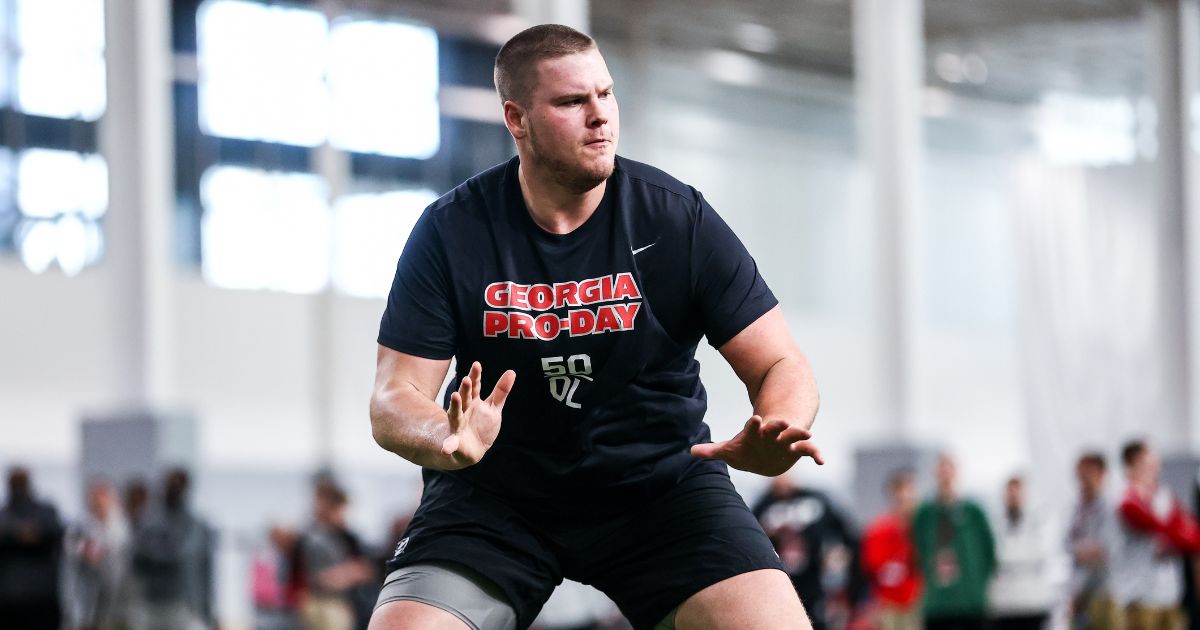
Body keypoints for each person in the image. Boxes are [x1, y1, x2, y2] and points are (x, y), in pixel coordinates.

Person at [367, 23, 823, 630]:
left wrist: (780, 427)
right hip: (496, 497)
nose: (600, 117)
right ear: (517, 119)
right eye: (571, 102)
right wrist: (444, 437)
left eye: (605, 94)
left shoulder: (674, 218)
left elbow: (780, 363)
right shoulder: (452, 232)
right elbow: (392, 397)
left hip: (661, 487)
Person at [751, 472, 868, 630]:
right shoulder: (763, 507)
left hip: (813, 580)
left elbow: (848, 534)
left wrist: (841, 562)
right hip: (777, 582)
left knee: (815, 622)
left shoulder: (815, 500)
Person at [1112, 440, 1200, 630]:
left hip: (1167, 592)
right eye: (1148, 466)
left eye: (1155, 465)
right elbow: (1166, 530)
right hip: (1140, 595)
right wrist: (1176, 534)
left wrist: (1176, 536)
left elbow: (1193, 537)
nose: (1154, 471)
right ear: (1132, 466)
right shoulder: (1127, 500)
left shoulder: (1163, 496)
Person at [912, 453, 996, 630]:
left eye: (949, 470)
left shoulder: (973, 512)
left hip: (970, 602)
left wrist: (978, 585)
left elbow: (990, 553)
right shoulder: (925, 514)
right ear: (934, 474)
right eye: (941, 470)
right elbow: (916, 552)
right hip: (937, 604)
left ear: (956, 473)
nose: (945, 476)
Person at [128, 468, 216, 630]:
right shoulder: (148, 522)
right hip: (151, 604)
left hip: (183, 605)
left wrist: (208, 611)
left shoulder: (196, 526)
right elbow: (135, 562)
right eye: (172, 484)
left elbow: (204, 570)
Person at [296, 482, 375, 630]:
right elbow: (323, 579)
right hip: (327, 607)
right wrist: (351, 572)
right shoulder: (316, 538)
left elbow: (367, 569)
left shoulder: (346, 537)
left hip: (343, 605)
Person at [61, 477, 132, 630]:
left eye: (104, 498)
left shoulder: (123, 528)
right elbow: (70, 548)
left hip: (119, 600)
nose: (100, 503)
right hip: (88, 602)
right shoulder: (80, 526)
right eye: (96, 498)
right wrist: (84, 550)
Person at [987, 476, 1057, 630]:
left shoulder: (1040, 519)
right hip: (1003, 604)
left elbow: (1042, 553)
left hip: (1033, 603)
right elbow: (991, 555)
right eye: (1009, 491)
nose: (1013, 496)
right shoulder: (994, 522)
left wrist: (1006, 557)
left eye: (1017, 491)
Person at [0, 466, 65, 629]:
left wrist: (12, 534)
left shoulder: (46, 512)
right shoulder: (42, 512)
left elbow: (51, 532)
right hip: (12, 599)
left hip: (40, 599)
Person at [860, 469, 921, 630]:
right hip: (887, 604)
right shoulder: (878, 530)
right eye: (899, 492)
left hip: (916, 602)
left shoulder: (921, 528)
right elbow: (870, 570)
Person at [1066, 453, 1120, 630]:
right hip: (1080, 593)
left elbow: (1105, 550)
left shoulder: (1111, 506)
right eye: (1079, 474)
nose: (1082, 479)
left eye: (1086, 473)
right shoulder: (1077, 508)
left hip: (1105, 592)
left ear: (1101, 474)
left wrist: (1081, 551)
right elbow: (1066, 545)